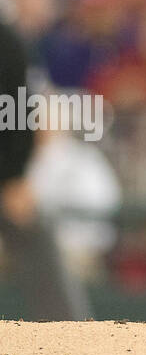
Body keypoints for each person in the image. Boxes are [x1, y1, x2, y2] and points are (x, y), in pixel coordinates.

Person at [0, 18, 92, 321]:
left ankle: (70, 342)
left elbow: (19, 112)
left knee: (36, 236)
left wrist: (13, 177)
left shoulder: (6, 40)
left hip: (5, 181)